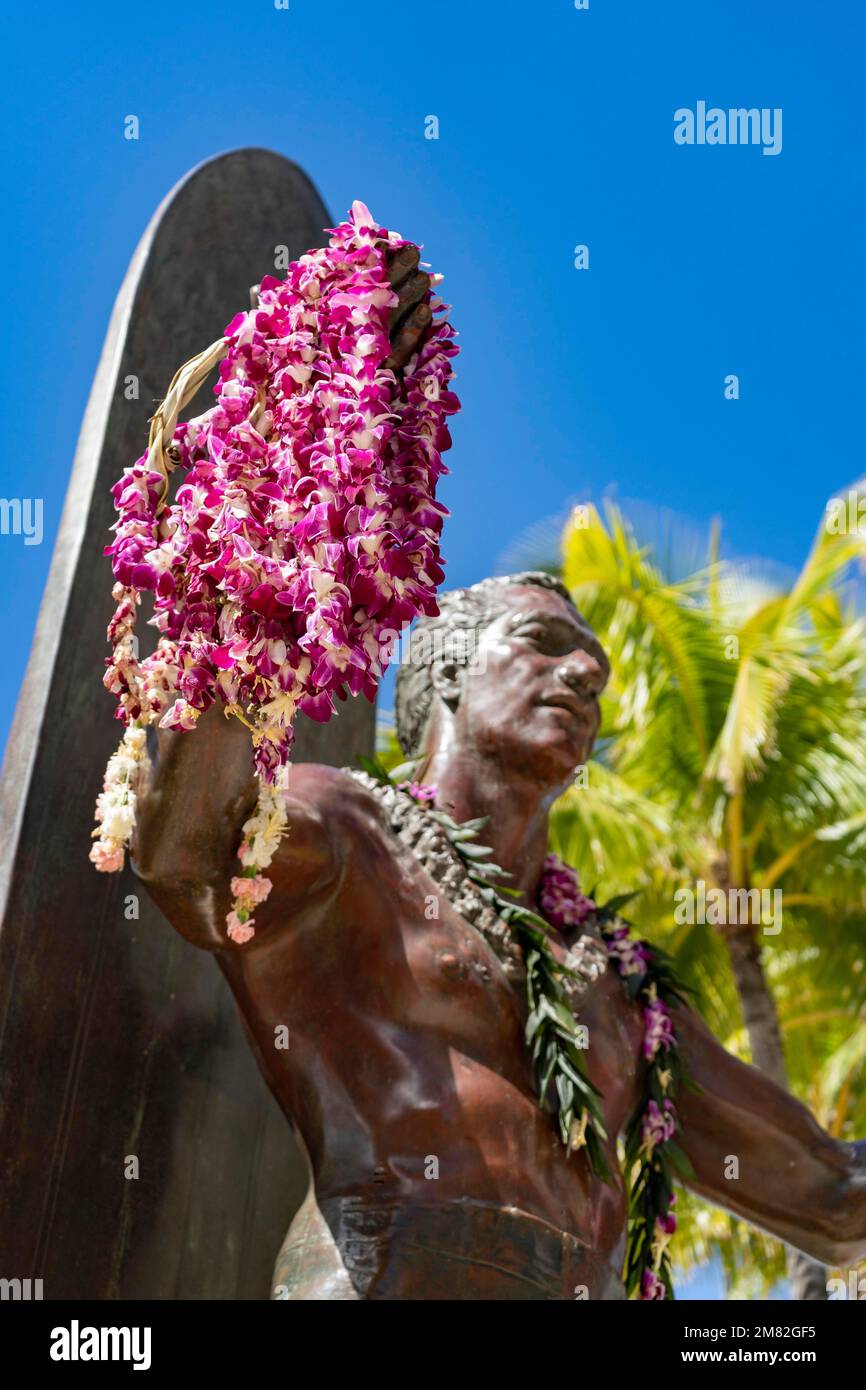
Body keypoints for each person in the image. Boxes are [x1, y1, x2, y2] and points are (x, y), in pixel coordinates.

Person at [132, 254, 866, 1300]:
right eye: (541, 644)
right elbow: (190, 856)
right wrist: (267, 548)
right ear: (440, 669)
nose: (583, 672)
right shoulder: (342, 833)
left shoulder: (618, 983)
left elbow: (833, 1198)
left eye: (598, 670)